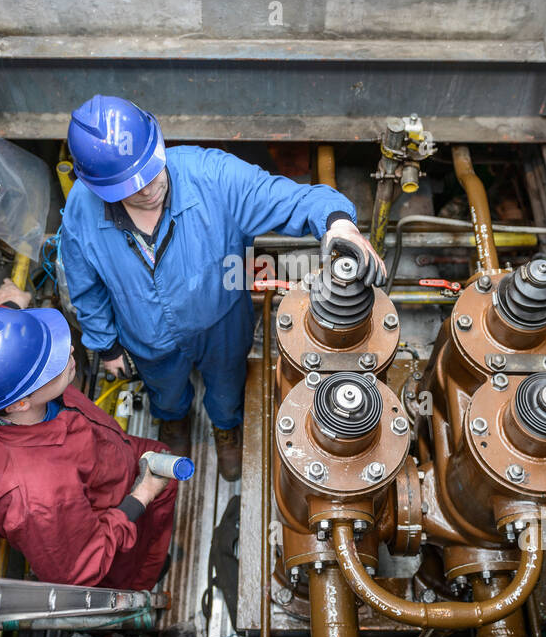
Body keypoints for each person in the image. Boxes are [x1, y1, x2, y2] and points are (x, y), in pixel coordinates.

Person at [59, 94, 385, 481]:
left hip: (223, 323)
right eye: (131, 186)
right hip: (145, 336)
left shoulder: (211, 175)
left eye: (151, 169)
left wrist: (337, 223)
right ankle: (173, 422)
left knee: (227, 386)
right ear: (98, 187)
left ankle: (225, 428)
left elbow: (292, 198)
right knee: (165, 392)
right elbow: (85, 286)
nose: (148, 188)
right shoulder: (81, 209)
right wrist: (107, 345)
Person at [0, 292, 177, 590]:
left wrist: (10, 309)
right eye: (51, 365)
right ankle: (145, 580)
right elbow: (79, 569)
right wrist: (142, 496)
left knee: (164, 460)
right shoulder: (35, 501)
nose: (70, 350)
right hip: (110, 514)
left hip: (106, 449)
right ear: (19, 404)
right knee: (134, 564)